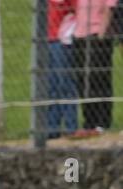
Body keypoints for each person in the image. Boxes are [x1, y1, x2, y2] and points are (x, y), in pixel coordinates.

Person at [71, 0, 120, 135]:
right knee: (83, 81)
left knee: (99, 79)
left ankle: (102, 122)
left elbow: (109, 10)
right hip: (79, 36)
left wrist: (101, 36)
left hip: (97, 35)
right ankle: (89, 122)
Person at [48, 1, 80, 137]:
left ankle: (70, 126)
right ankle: (52, 128)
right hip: (46, 40)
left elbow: (78, 11)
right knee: (51, 86)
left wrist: (68, 33)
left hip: (62, 42)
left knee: (65, 84)